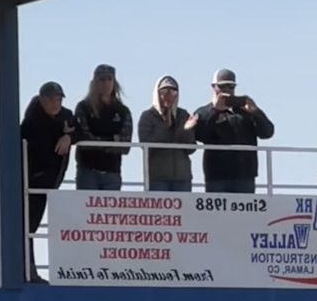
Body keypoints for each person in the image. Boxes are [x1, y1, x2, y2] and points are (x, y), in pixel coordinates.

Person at [188, 68, 275, 194]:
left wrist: (256, 112)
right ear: (213, 87)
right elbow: (201, 136)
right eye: (222, 87)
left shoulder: (245, 111)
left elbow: (267, 133)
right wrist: (215, 110)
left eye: (231, 86)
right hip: (217, 177)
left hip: (245, 176)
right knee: (217, 214)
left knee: (245, 213)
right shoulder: (203, 112)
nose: (227, 90)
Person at [21, 81, 76, 247]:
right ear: (42, 100)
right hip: (32, 180)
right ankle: (27, 269)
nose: (56, 103)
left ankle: (30, 269)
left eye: (59, 99)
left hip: (53, 179)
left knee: (34, 227)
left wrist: (68, 137)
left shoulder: (66, 115)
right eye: (52, 99)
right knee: (27, 226)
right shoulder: (32, 121)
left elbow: (80, 131)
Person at [73, 63, 132, 191]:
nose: (106, 83)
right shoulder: (83, 107)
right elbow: (85, 140)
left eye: (109, 79)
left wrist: (99, 140)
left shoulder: (123, 111)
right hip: (87, 171)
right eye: (102, 79)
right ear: (95, 82)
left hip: (112, 173)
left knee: (110, 212)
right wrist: (112, 140)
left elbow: (125, 146)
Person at [137, 75, 195, 192]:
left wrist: (180, 128)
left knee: (184, 210)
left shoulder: (183, 115)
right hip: (158, 178)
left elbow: (191, 147)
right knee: (160, 211)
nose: (168, 95)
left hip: (182, 178)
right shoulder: (147, 116)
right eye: (164, 90)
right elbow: (146, 145)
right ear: (157, 93)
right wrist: (165, 127)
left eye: (173, 91)